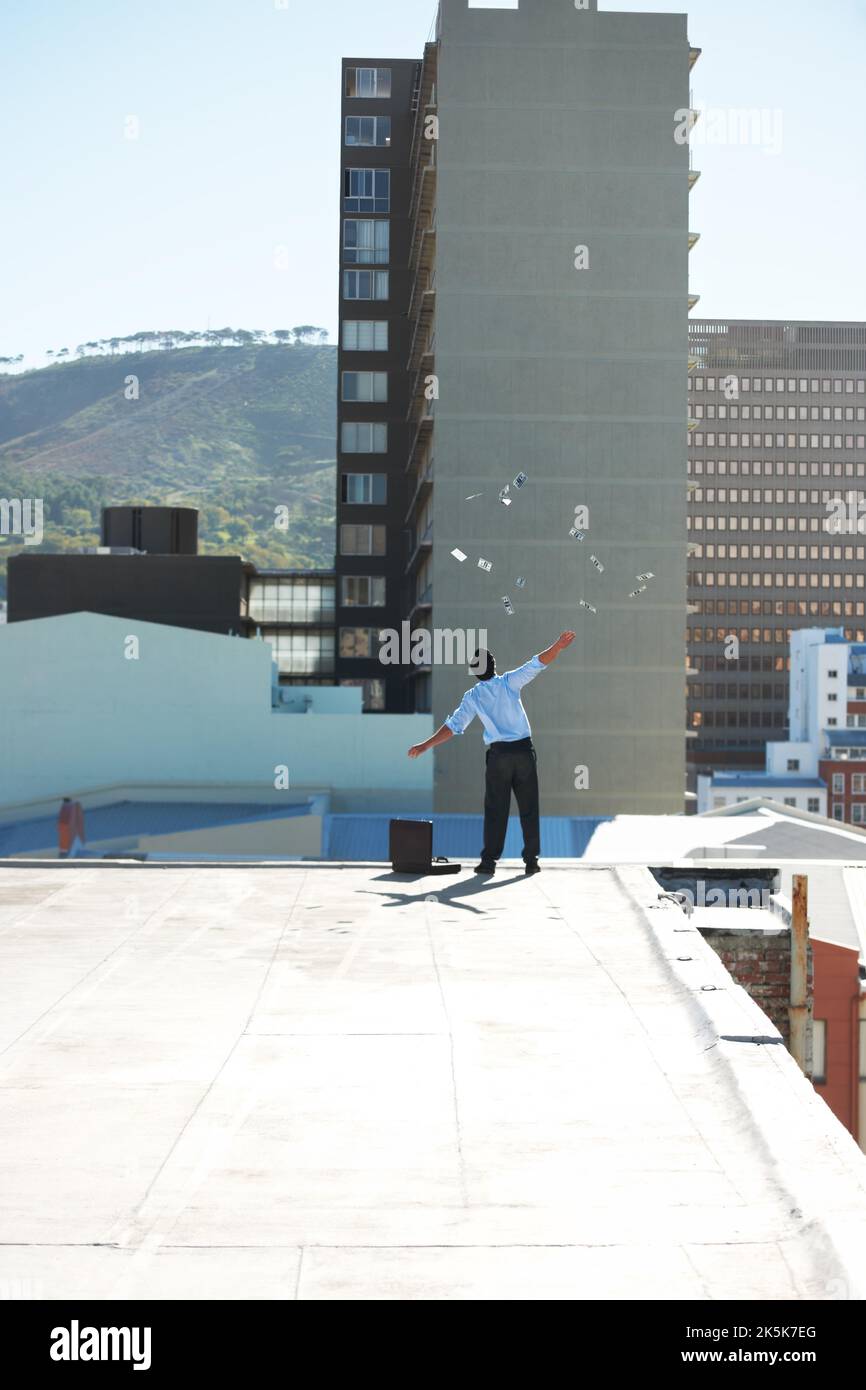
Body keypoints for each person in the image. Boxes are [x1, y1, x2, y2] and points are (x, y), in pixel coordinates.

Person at [407, 631, 575, 875]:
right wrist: (558, 646)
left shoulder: (473, 696)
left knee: (496, 809)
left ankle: (488, 863)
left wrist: (424, 745)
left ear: (474, 672)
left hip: (499, 757)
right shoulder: (509, 682)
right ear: (494, 667)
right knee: (529, 807)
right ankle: (531, 861)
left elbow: (454, 727)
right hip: (523, 752)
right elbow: (537, 663)